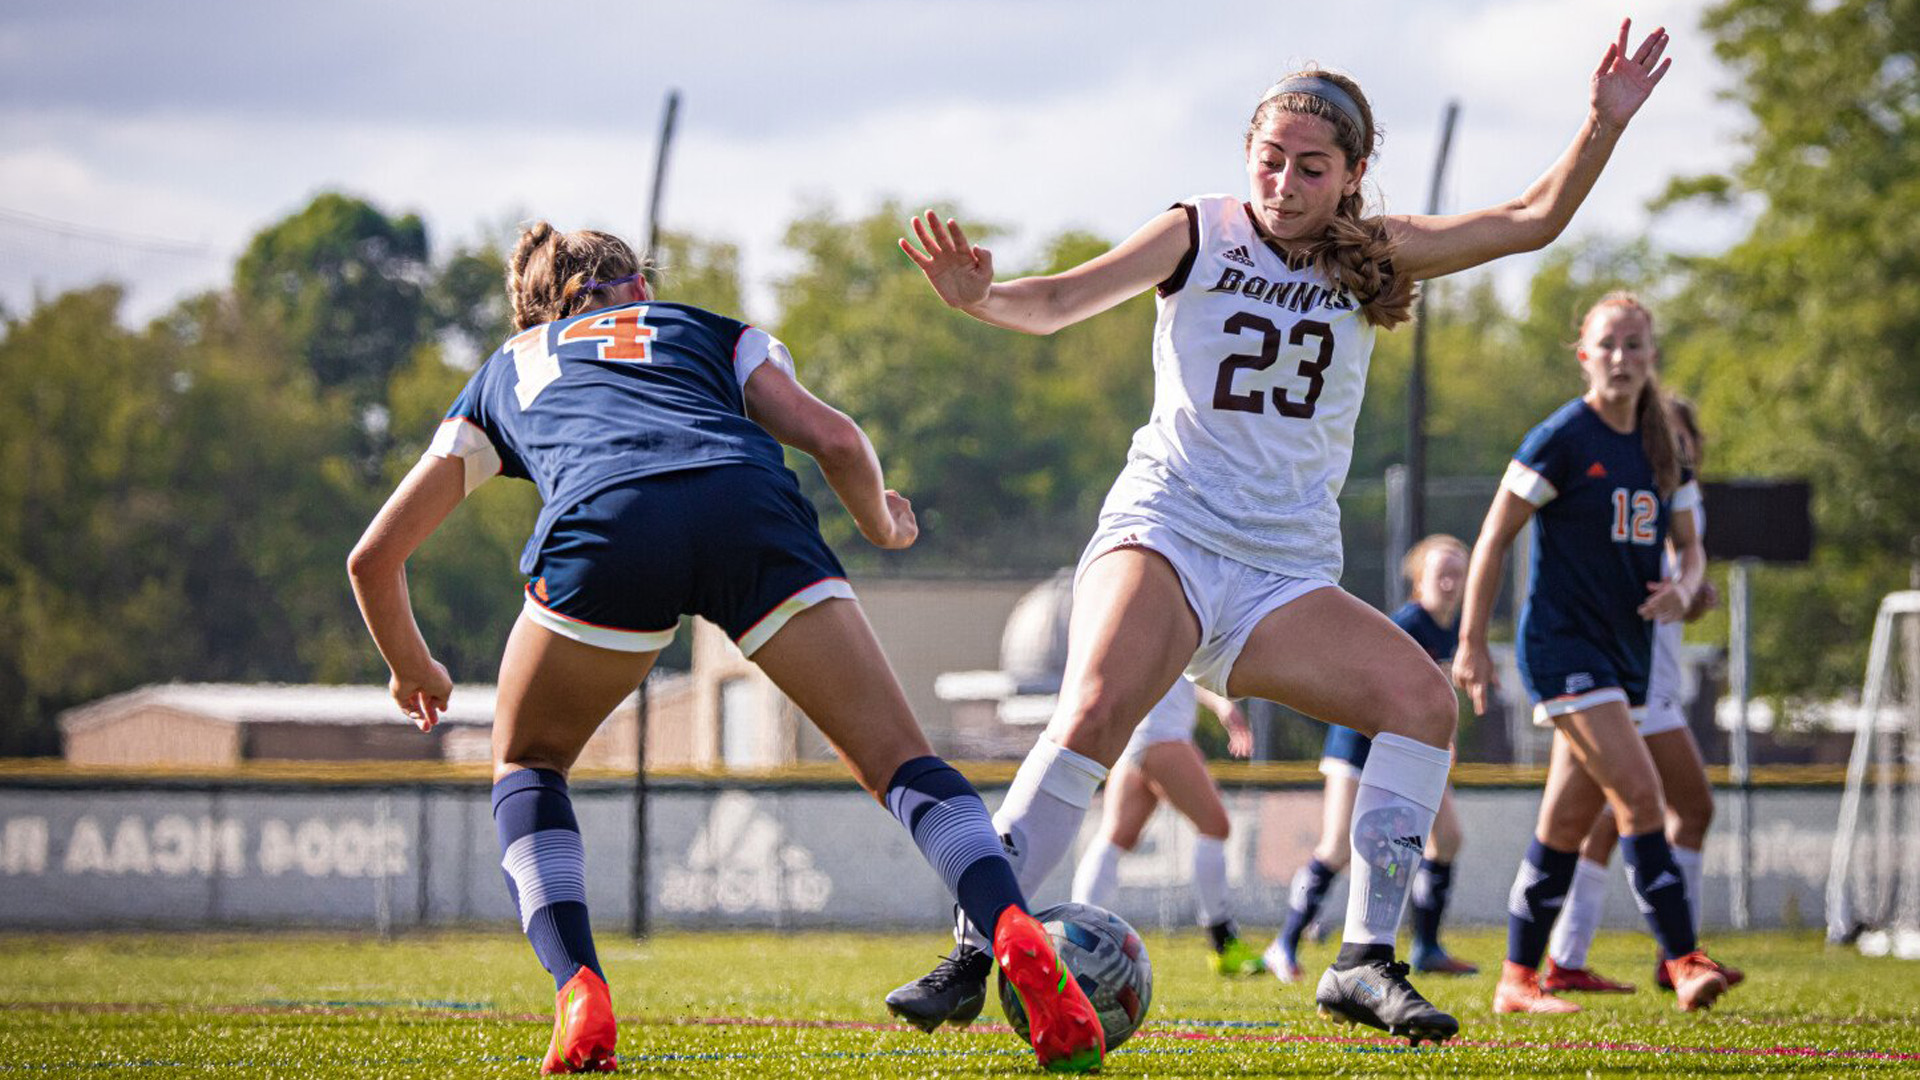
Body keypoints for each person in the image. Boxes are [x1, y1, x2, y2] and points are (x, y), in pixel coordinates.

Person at [887, 19, 1673, 1045]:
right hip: (1166, 529)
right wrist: (981, 298)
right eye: (1269, 159)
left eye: (1311, 167)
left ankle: (1361, 962)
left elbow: (1531, 219)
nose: (1284, 182)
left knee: (1421, 703)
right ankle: (976, 944)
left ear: (1351, 177)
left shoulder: (1378, 255)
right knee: (1092, 712)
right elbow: (1057, 303)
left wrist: (1599, 125)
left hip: (1281, 575)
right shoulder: (1197, 230)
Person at [347, 223, 1104, 1074]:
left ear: (533, 315)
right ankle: (1009, 925)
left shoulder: (510, 367)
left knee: (528, 763)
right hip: (747, 507)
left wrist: (413, 664)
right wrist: (882, 522)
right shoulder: (702, 329)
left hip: (607, 525)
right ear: (640, 288)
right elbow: (838, 441)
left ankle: (579, 991)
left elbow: (372, 558)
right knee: (900, 761)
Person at [1452, 293, 1736, 1016]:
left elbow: (1693, 548)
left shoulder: (1659, 442)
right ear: (1584, 355)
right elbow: (1492, 539)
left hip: (1626, 653)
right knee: (1642, 796)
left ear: (1652, 356)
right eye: (1607, 344)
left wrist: (1685, 586)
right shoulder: (1562, 437)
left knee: (1565, 824)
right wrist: (1472, 645)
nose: (1621, 358)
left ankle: (1517, 979)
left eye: (1635, 344)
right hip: (1563, 649)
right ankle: (1683, 958)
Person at [1541, 398, 1743, 993]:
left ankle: (1588, 957)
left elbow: (1675, 584)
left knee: (1613, 819)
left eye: (1682, 437)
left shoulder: (1683, 498)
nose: (1672, 447)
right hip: (1625, 681)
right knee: (1660, 811)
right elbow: (1618, 576)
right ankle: (1668, 955)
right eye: (1665, 435)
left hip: (1653, 681)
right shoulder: (1632, 487)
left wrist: (1692, 595)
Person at [1267, 535, 1478, 982]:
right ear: (1418, 580)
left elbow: (1437, 696)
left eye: (1458, 572)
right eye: (1441, 571)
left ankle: (1427, 947)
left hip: (1411, 745)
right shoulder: (1410, 622)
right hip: (1359, 742)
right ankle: (1282, 944)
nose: (1450, 581)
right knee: (1337, 848)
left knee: (1448, 839)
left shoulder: (1452, 628)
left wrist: (1444, 739)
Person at [1070, 676, 1267, 977]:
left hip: (1138, 737)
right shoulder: (1164, 628)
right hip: (1161, 735)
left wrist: (1218, 704)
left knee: (1116, 837)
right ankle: (1223, 943)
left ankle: (1075, 938)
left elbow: (1180, 671)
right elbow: (1181, 662)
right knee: (1215, 826)